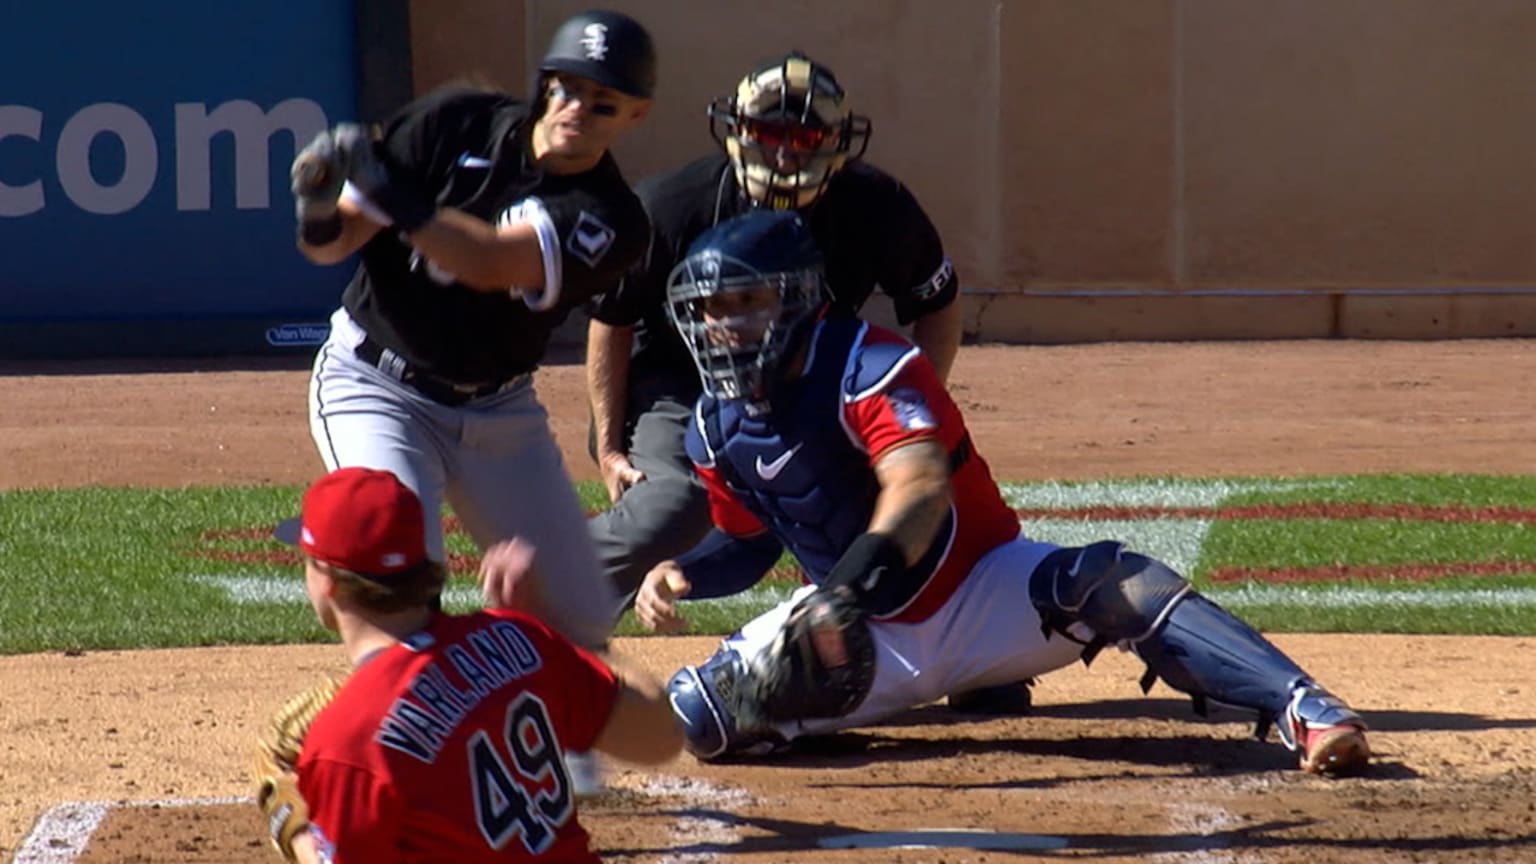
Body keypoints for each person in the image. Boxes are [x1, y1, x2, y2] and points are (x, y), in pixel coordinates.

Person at [634, 209, 1372, 777]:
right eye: (707, 309)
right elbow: (753, 535)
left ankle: (1303, 706)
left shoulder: (872, 362)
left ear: (795, 296)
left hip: (980, 589)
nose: (722, 324)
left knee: (1114, 579)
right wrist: (688, 571)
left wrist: (846, 592)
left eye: (743, 300)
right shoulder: (714, 427)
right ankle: (894, 704)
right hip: (859, 641)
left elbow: (920, 487)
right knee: (699, 717)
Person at [579, 50, 1021, 711]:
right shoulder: (672, 205)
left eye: (805, 137)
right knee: (673, 505)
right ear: (736, 132)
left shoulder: (876, 204)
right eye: (768, 134)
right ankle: (540, 625)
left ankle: (970, 652)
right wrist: (612, 447)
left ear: (837, 143)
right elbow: (610, 323)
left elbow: (937, 301)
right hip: (679, 385)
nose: (785, 153)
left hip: (802, 386)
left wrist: (911, 414)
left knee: (900, 489)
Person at [289, 9, 655, 653]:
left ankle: (552, 753)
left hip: (499, 412)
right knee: (396, 579)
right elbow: (334, 241)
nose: (576, 108)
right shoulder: (456, 120)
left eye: (603, 102)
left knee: (577, 617)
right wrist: (318, 206)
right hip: (376, 386)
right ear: (544, 83)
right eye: (567, 87)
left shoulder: (613, 219)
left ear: (635, 117)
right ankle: (398, 745)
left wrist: (393, 192)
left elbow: (487, 262)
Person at [262, 466, 682, 864]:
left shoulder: (347, 741)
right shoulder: (518, 640)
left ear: (326, 579)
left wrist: (295, 825)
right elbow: (660, 737)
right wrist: (549, 629)